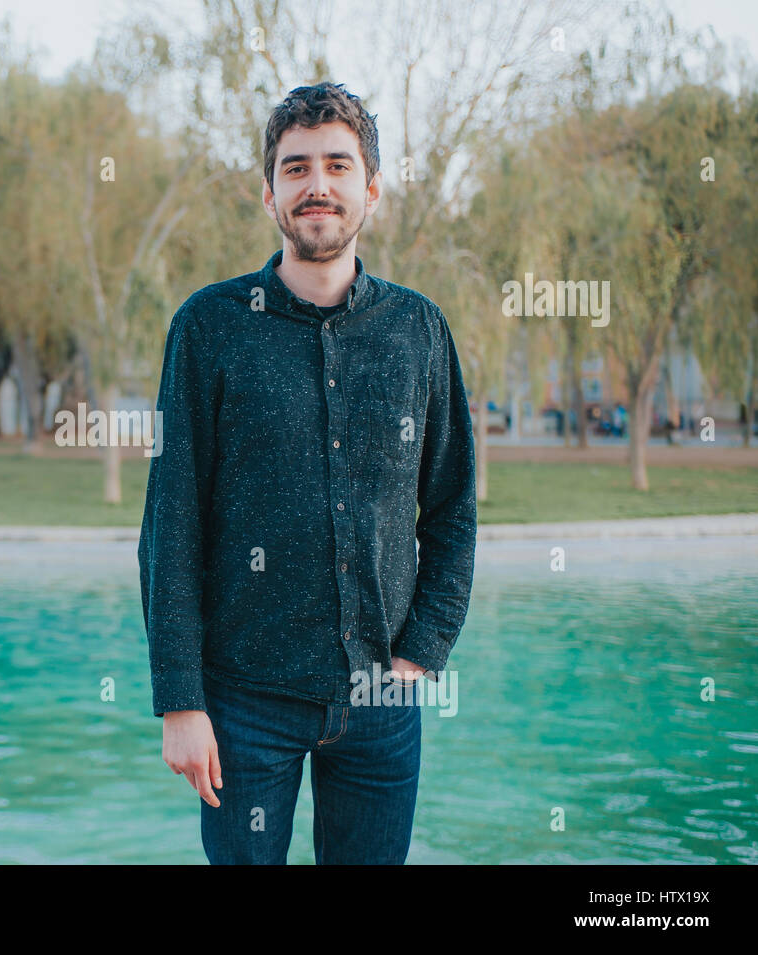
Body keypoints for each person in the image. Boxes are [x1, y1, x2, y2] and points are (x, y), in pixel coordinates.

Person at [137, 82, 478, 865]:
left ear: (371, 191)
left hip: (380, 704)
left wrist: (419, 653)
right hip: (241, 703)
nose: (316, 186)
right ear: (270, 194)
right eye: (296, 169)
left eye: (336, 166)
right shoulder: (209, 329)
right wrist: (180, 701)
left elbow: (453, 506)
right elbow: (172, 525)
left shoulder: (418, 330)